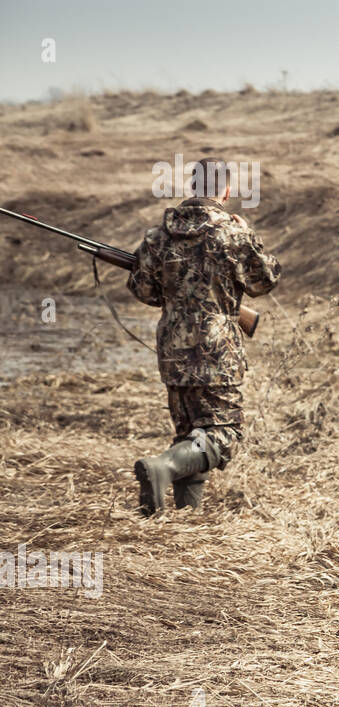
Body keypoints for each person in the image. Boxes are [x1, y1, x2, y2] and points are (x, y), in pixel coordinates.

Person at [127, 157, 281, 513]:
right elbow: (265, 281)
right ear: (226, 190)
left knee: (190, 436)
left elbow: (145, 292)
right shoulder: (233, 233)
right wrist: (248, 235)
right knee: (222, 436)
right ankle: (162, 467)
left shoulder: (157, 236)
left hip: (173, 353)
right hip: (217, 353)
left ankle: (185, 518)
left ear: (191, 188)